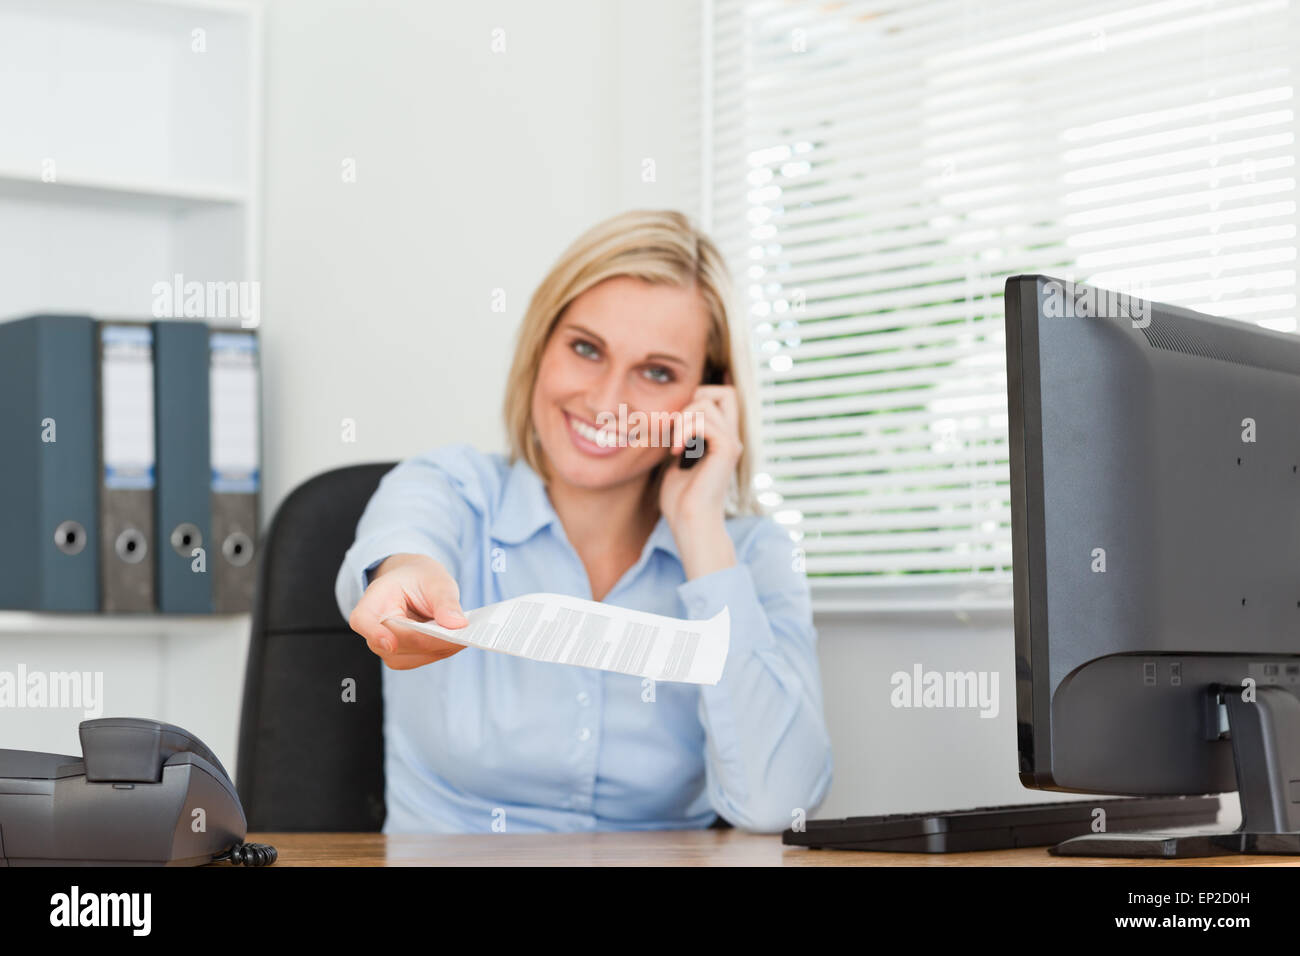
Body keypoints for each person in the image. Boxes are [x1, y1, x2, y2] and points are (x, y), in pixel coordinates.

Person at [335, 209, 833, 833]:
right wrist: (403, 580)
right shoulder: (449, 490)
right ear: (541, 347)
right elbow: (401, 549)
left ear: (707, 400)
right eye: (586, 349)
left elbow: (776, 803)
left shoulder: (752, 556)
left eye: (657, 372)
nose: (606, 401)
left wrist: (700, 528)